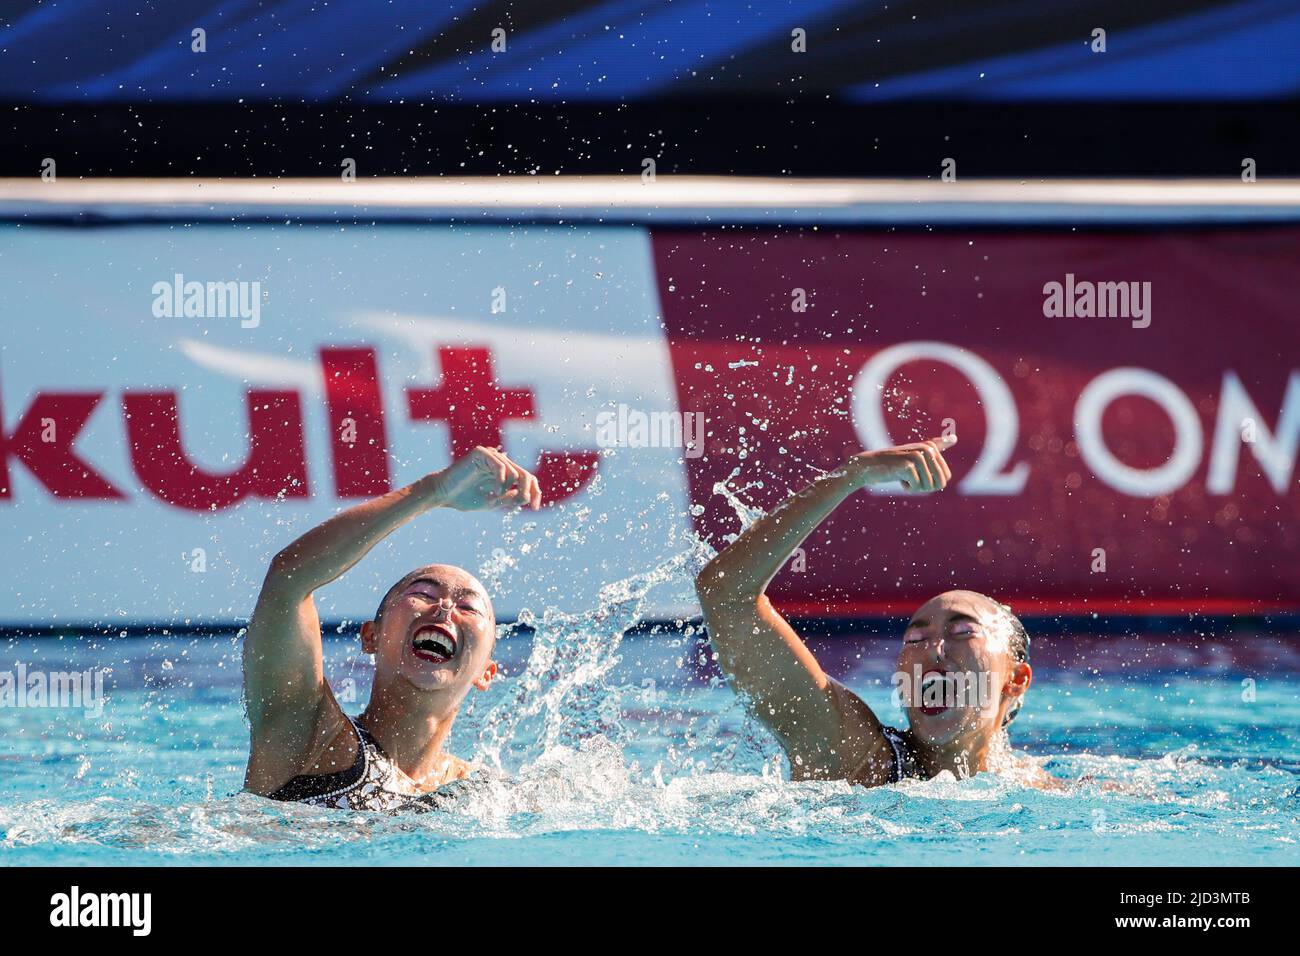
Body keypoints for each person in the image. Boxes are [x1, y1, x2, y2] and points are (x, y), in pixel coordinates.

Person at [695, 434, 1054, 788]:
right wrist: (850, 477)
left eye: (963, 632)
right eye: (915, 638)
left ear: (1016, 678)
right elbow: (725, 594)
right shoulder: (858, 760)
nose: (932, 649)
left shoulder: (1046, 794)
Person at [242, 445, 541, 811]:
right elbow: (288, 580)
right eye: (422, 592)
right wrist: (433, 492)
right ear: (371, 636)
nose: (445, 607)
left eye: (467, 607)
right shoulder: (310, 738)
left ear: (486, 673)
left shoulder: (484, 795)